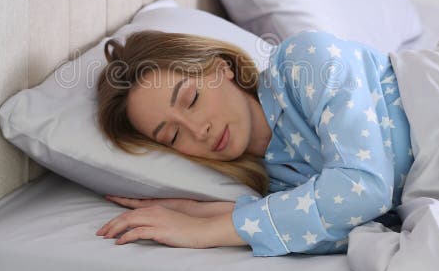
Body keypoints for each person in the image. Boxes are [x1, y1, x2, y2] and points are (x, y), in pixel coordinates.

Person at [95, 29, 413, 256]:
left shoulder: (302, 61)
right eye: (173, 136)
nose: (198, 130)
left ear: (221, 67)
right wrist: (200, 211)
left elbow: (365, 189)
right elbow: (355, 227)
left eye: (191, 100)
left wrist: (206, 231)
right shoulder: (276, 183)